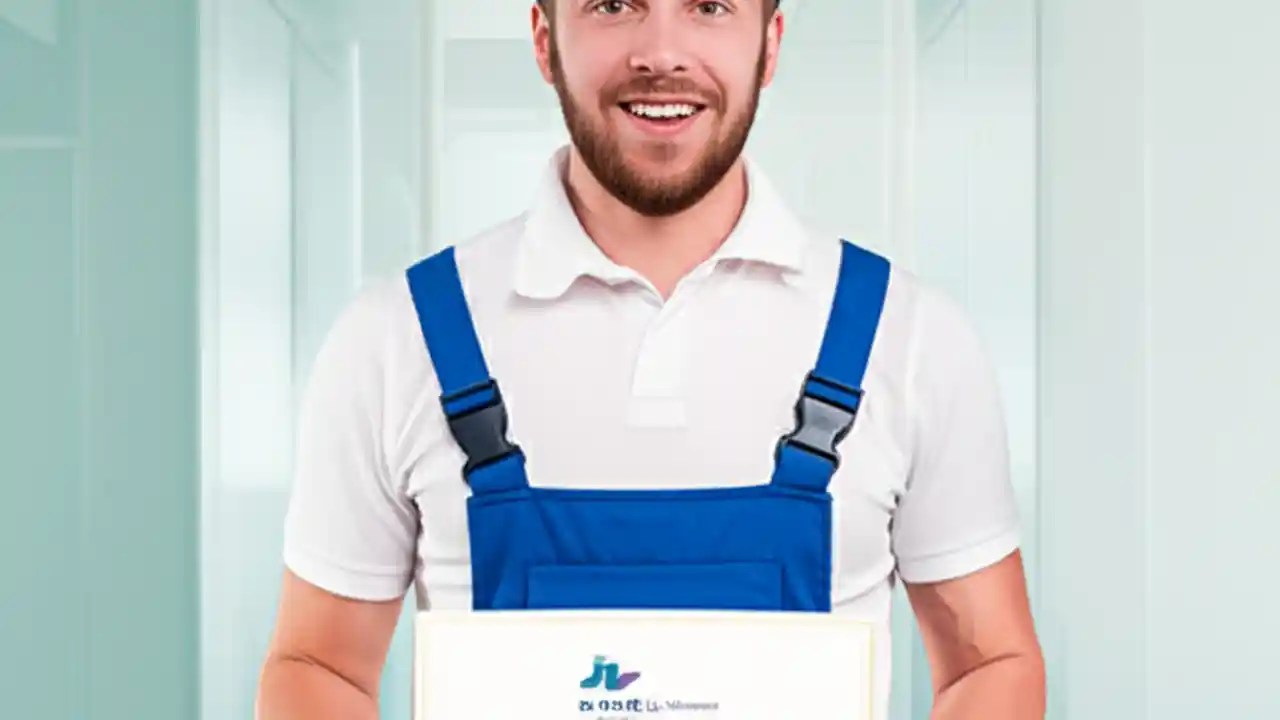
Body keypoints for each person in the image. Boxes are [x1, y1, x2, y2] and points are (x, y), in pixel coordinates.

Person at [256, 1, 1046, 718]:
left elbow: (993, 665)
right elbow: (318, 667)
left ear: (770, 43)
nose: (660, 52)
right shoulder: (396, 341)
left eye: (708, 6)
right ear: (544, 38)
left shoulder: (908, 339)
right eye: (612, 4)